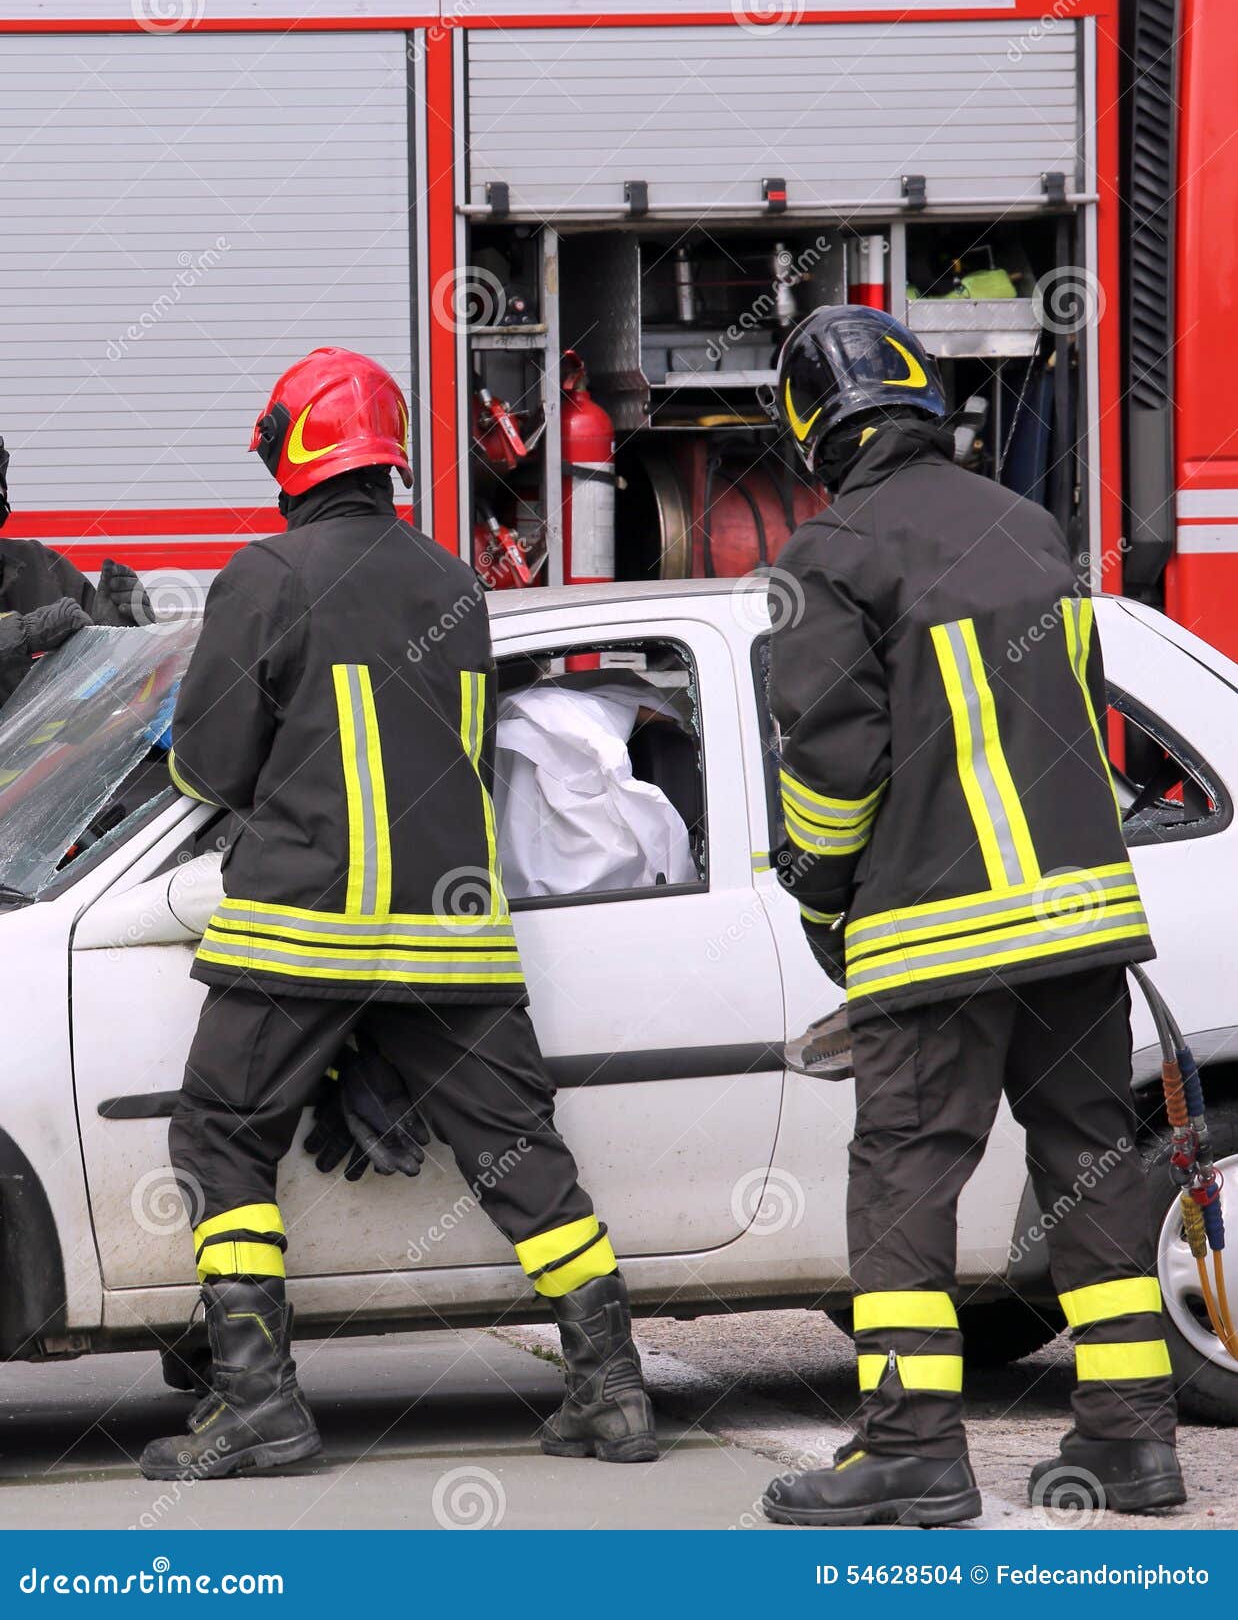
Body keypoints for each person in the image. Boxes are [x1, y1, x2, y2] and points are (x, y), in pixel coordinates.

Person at [139, 347, 657, 1482]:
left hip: (303, 931)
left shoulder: (264, 577)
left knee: (221, 1134)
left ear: (298, 449)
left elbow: (210, 772)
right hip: (451, 934)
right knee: (520, 1150)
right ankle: (612, 1391)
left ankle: (259, 1405)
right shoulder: (454, 585)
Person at [759, 305, 1183, 1527]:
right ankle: (1127, 1442)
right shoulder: (1029, 525)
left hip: (932, 938)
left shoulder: (824, 559)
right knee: (1088, 1164)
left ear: (810, 429)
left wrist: (817, 890)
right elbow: (1077, 720)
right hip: (1079, 925)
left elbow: (831, 774)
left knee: (903, 1180)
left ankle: (909, 1451)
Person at [0, 435, 153, 703]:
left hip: (49, 747)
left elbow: (102, 705)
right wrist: (20, 636)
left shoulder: (40, 567)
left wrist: (117, 644)